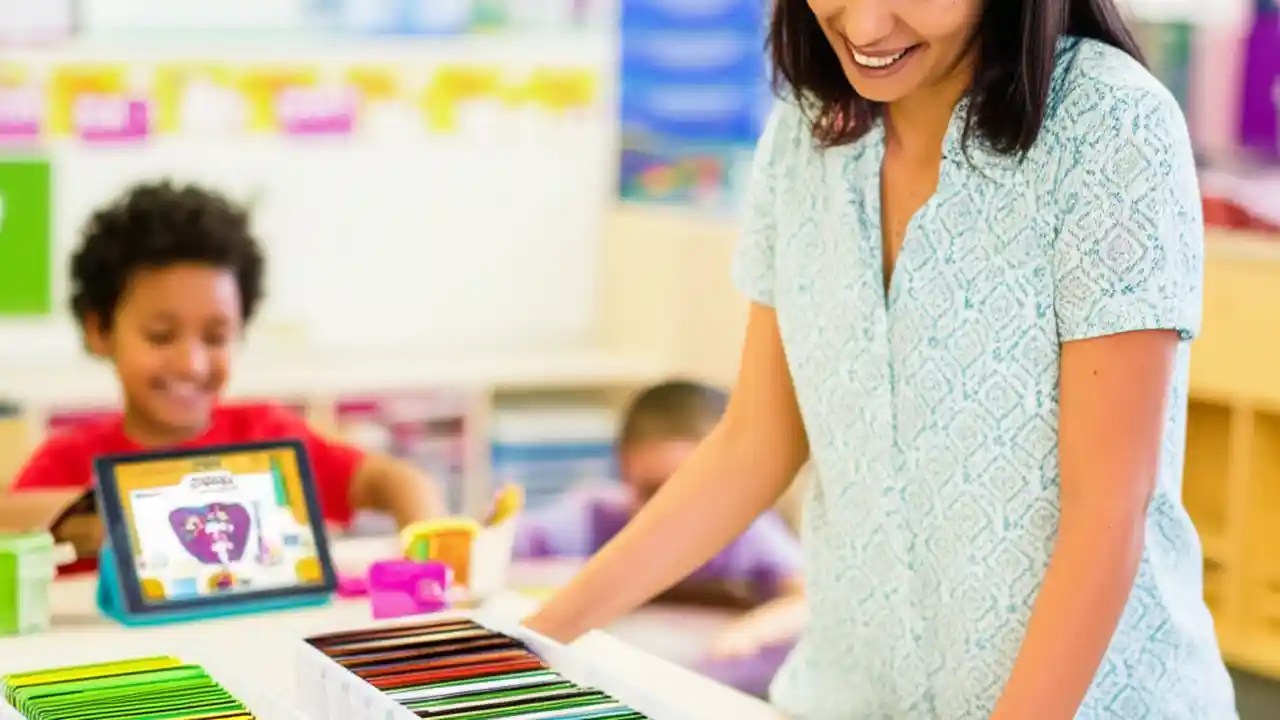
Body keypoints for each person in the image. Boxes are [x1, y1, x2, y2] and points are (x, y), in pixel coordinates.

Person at [524, 1, 1238, 717]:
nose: (864, 28)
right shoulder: (802, 135)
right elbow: (752, 447)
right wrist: (526, 640)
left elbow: (1106, 512)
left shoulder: (1111, 125)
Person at [12, 181, 447, 567]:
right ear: (99, 330)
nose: (192, 364)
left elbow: (395, 481)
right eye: (161, 337)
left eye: (216, 337)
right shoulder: (69, 459)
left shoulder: (267, 436)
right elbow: (10, 518)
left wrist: (433, 542)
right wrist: (93, 517)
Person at [513, 380, 806, 697]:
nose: (672, 514)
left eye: (693, 491)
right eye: (652, 492)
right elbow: (500, 547)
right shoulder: (592, 517)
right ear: (624, 473)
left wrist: (750, 631)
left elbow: (807, 600)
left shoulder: (748, 530)